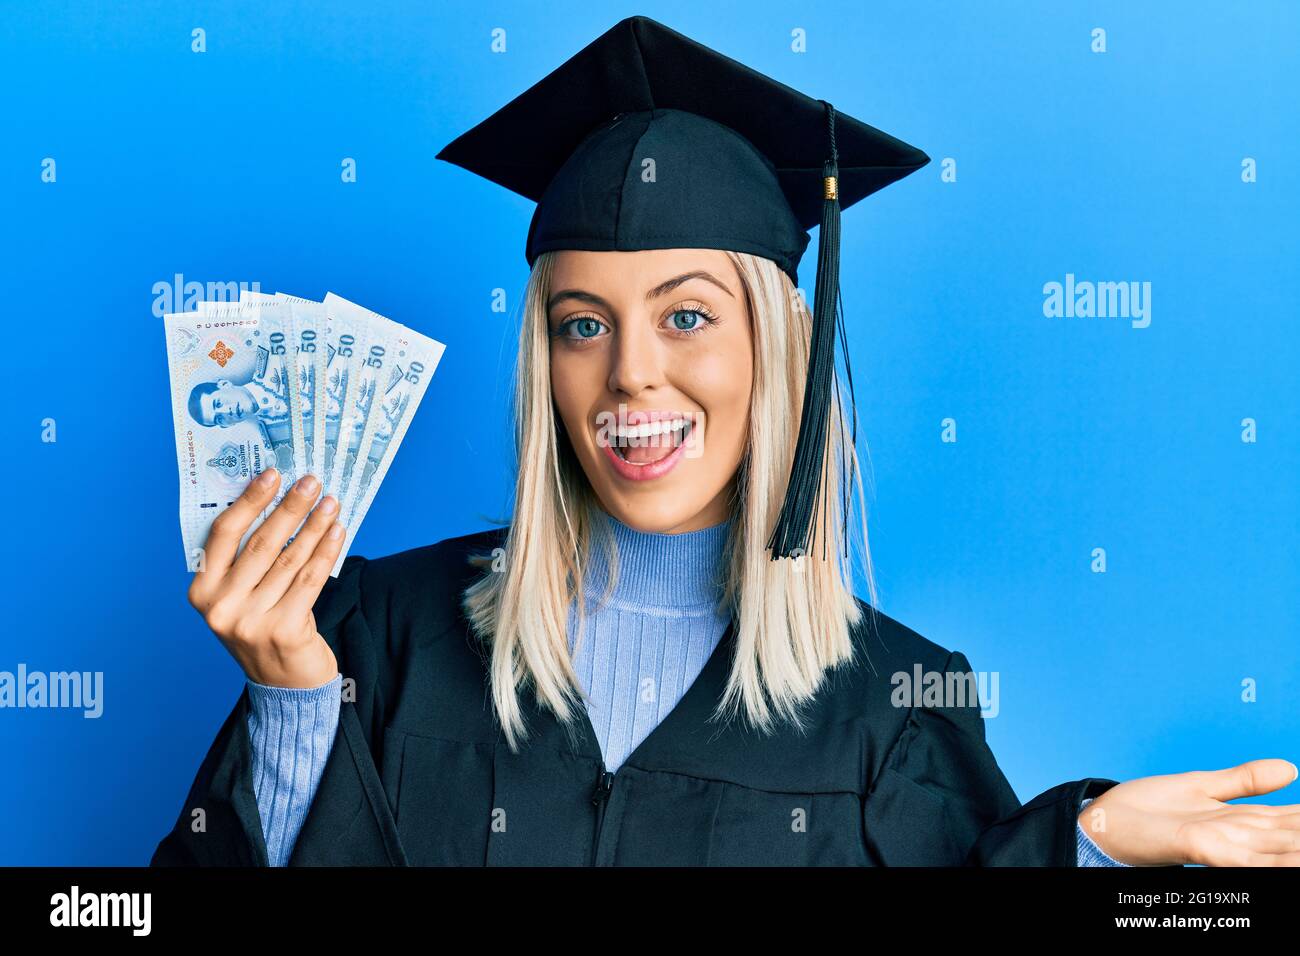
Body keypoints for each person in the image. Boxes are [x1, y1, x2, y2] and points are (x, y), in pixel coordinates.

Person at [153, 16, 1300, 868]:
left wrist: (1084, 850)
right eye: (582, 324)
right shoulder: (373, 635)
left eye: (688, 316)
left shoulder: (895, 708)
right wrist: (293, 701)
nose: (630, 371)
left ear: (777, 348)